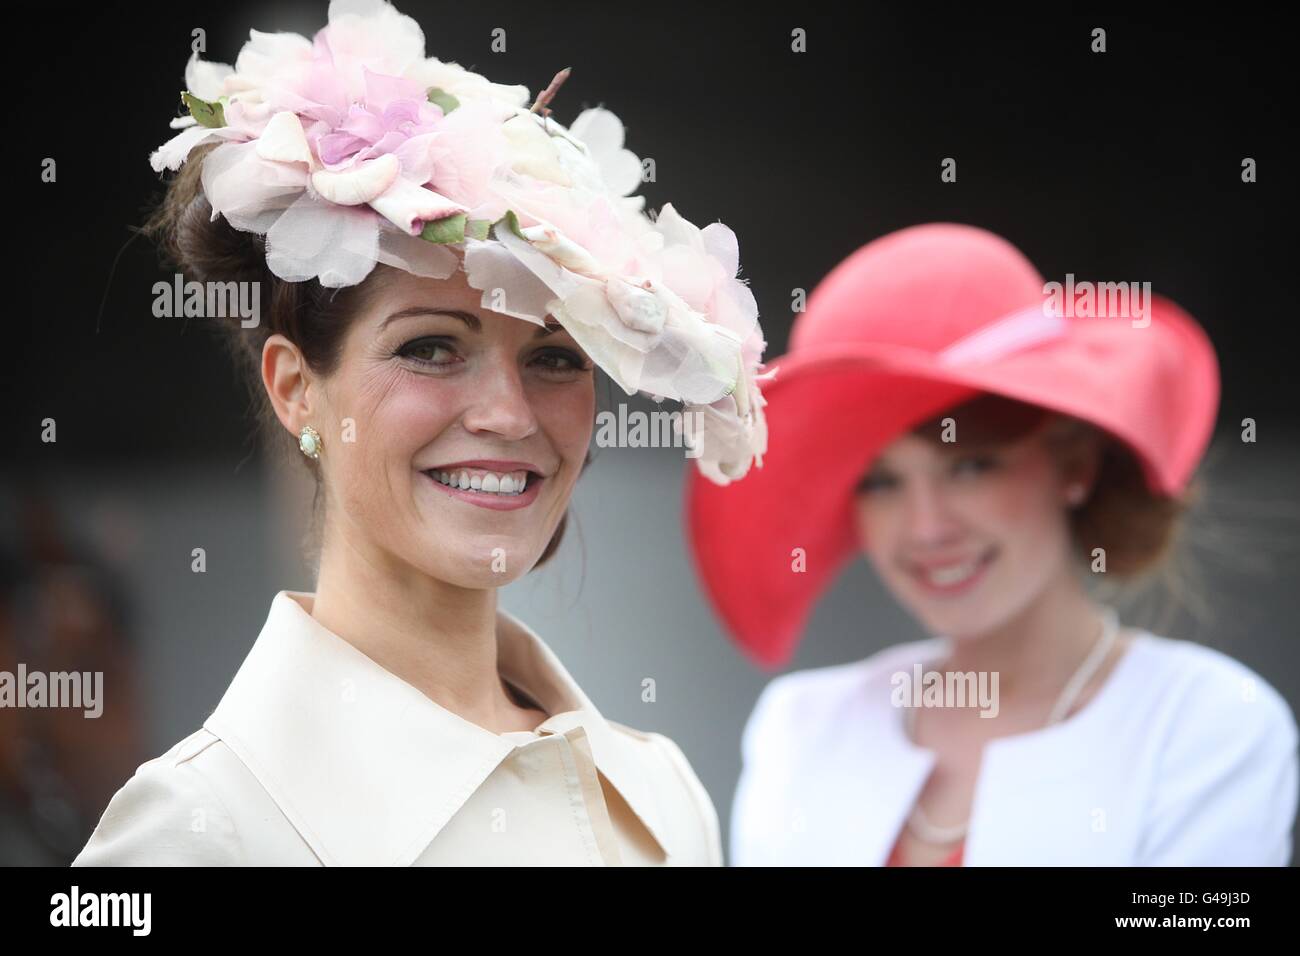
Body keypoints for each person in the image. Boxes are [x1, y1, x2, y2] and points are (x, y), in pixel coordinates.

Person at [73, 0, 769, 866]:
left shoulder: (663, 799)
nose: (510, 416)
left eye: (556, 359)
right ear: (296, 389)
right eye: (431, 348)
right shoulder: (198, 829)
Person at [687, 222, 1298, 865]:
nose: (925, 527)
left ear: (1074, 467)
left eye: (972, 466)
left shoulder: (1206, 724)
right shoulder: (802, 727)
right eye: (882, 483)